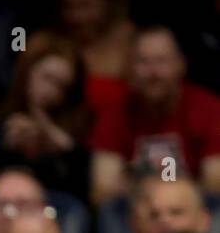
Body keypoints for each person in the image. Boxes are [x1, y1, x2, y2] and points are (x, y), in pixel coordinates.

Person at [90, 25, 220, 205]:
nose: (153, 72)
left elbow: (215, 184)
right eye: (143, 62)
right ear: (130, 68)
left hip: (193, 213)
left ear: (180, 65)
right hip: (137, 215)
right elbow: (102, 191)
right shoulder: (116, 114)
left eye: (161, 61)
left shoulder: (209, 109)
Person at [0, 34, 92, 201]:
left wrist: (54, 141)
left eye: (61, 86)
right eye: (47, 78)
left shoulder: (75, 127)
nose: (51, 91)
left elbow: (80, 193)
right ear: (28, 71)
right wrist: (5, 145)